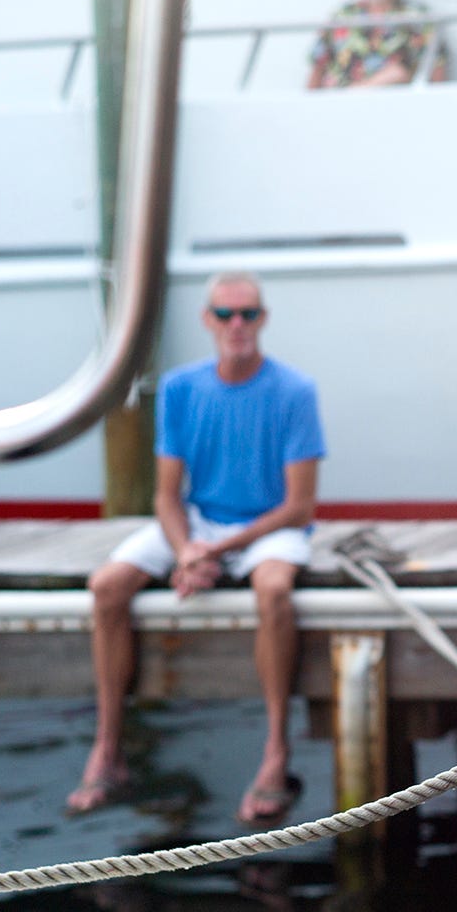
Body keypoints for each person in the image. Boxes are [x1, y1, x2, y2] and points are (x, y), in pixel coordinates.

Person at [67, 272, 326, 825]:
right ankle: (107, 749)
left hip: (266, 527)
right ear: (207, 320)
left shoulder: (295, 391)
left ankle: (276, 750)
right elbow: (166, 496)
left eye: (248, 314)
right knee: (107, 587)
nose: (238, 325)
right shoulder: (182, 389)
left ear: (264, 319)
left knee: (274, 590)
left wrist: (217, 549)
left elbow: (299, 508)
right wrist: (188, 550)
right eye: (226, 314)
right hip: (198, 521)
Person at [308, 0, 448, 89]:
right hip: (340, 101)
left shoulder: (417, 16)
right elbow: (319, 65)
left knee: (397, 73)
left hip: (393, 102)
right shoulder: (343, 15)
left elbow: (437, 65)